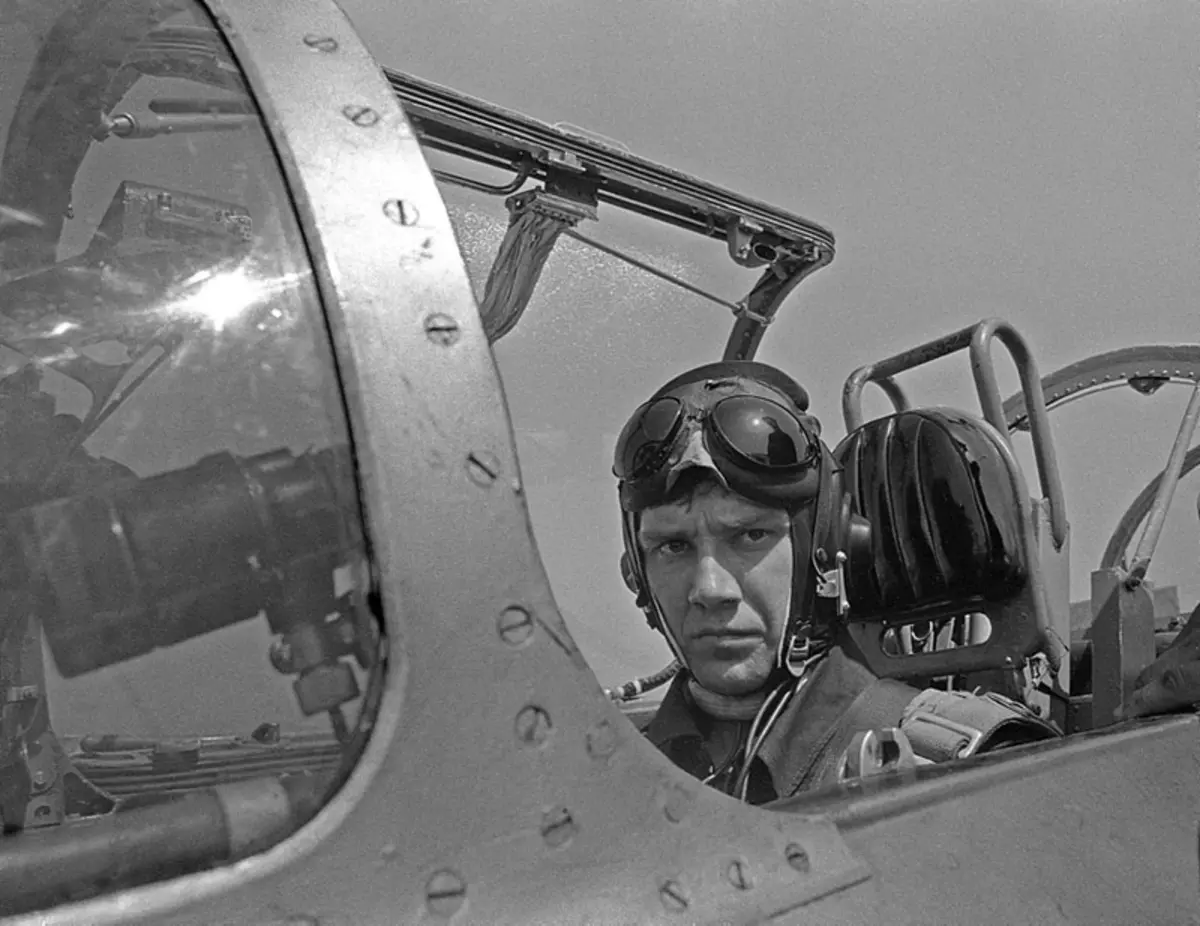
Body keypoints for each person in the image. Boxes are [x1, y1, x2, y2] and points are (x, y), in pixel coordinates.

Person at [613, 360, 1060, 803]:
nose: (710, 590)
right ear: (637, 574)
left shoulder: (966, 771)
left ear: (825, 552)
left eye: (751, 536)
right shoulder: (606, 781)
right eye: (672, 546)